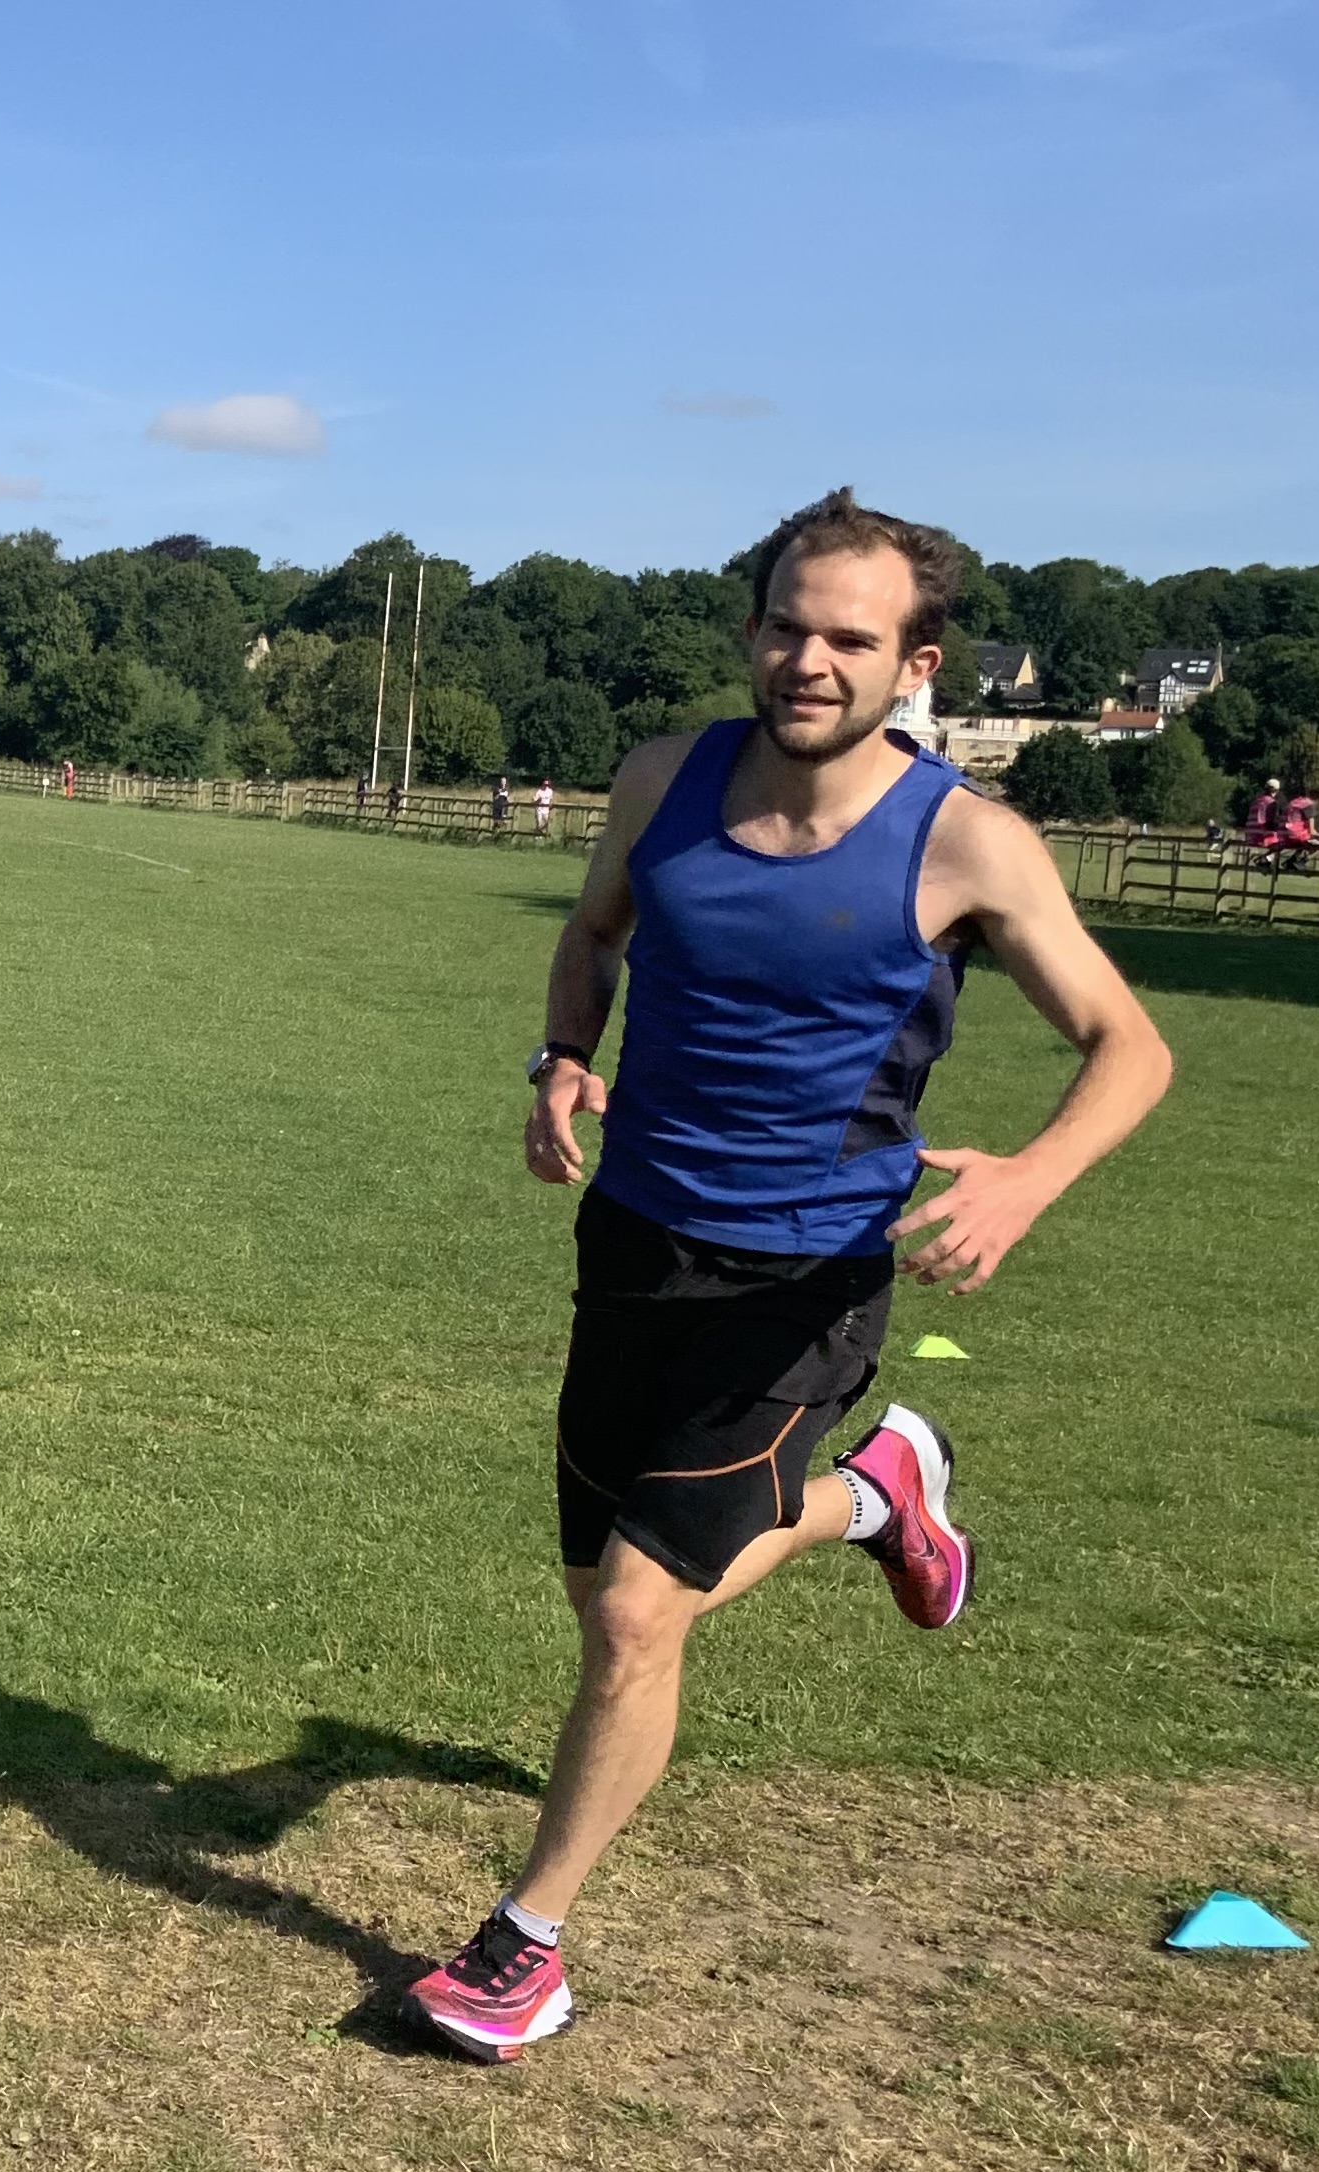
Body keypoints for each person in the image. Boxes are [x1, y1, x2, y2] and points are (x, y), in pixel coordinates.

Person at [405, 488, 1173, 2065]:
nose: (807, 659)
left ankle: (525, 1945)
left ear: (913, 661)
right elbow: (595, 933)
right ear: (750, 628)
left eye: (848, 636)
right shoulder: (662, 779)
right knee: (597, 1596)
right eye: (784, 623)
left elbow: (1129, 1043)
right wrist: (561, 1056)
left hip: (803, 1273)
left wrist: (1028, 1175)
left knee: (632, 1618)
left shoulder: (966, 841)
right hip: (631, 1242)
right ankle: (879, 1494)